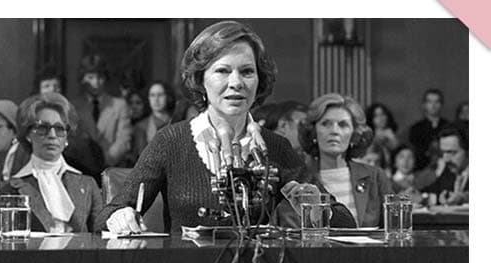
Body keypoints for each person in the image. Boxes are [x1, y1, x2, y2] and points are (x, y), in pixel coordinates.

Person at [98, 21, 307, 233]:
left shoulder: (275, 147)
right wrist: (119, 216)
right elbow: (107, 215)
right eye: (223, 71)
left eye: (247, 72)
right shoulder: (170, 141)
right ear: (201, 81)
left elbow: (340, 220)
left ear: (259, 80)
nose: (236, 82)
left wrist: (316, 206)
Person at [0, 92, 105, 233]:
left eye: (59, 129)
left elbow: (100, 237)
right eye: (42, 128)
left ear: (66, 137)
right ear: (28, 134)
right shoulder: (10, 189)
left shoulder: (88, 184)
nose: (52, 136)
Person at [280, 93, 391, 228]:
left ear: (354, 134)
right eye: (326, 124)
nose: (334, 131)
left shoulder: (375, 177)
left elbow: (392, 230)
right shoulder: (297, 177)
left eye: (343, 125)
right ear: (313, 131)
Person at [71, 54, 133, 167]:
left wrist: (104, 161)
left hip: (111, 168)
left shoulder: (119, 105)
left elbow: (123, 141)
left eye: (100, 78)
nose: (96, 83)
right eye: (90, 77)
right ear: (83, 79)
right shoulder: (73, 107)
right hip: (81, 168)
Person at [421, 127, 468, 205]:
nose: (446, 159)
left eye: (451, 152)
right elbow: (434, 191)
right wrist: (421, 197)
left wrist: (463, 198)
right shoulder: (449, 170)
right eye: (443, 152)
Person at [408, 88, 450, 170]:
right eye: (430, 102)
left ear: (441, 105)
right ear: (424, 105)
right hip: (421, 169)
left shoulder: (449, 126)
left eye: (436, 102)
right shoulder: (416, 128)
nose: (433, 105)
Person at [133, 80, 177, 158]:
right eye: (152, 95)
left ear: (168, 97)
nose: (156, 99)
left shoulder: (177, 123)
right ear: (148, 98)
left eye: (160, 95)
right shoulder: (141, 126)